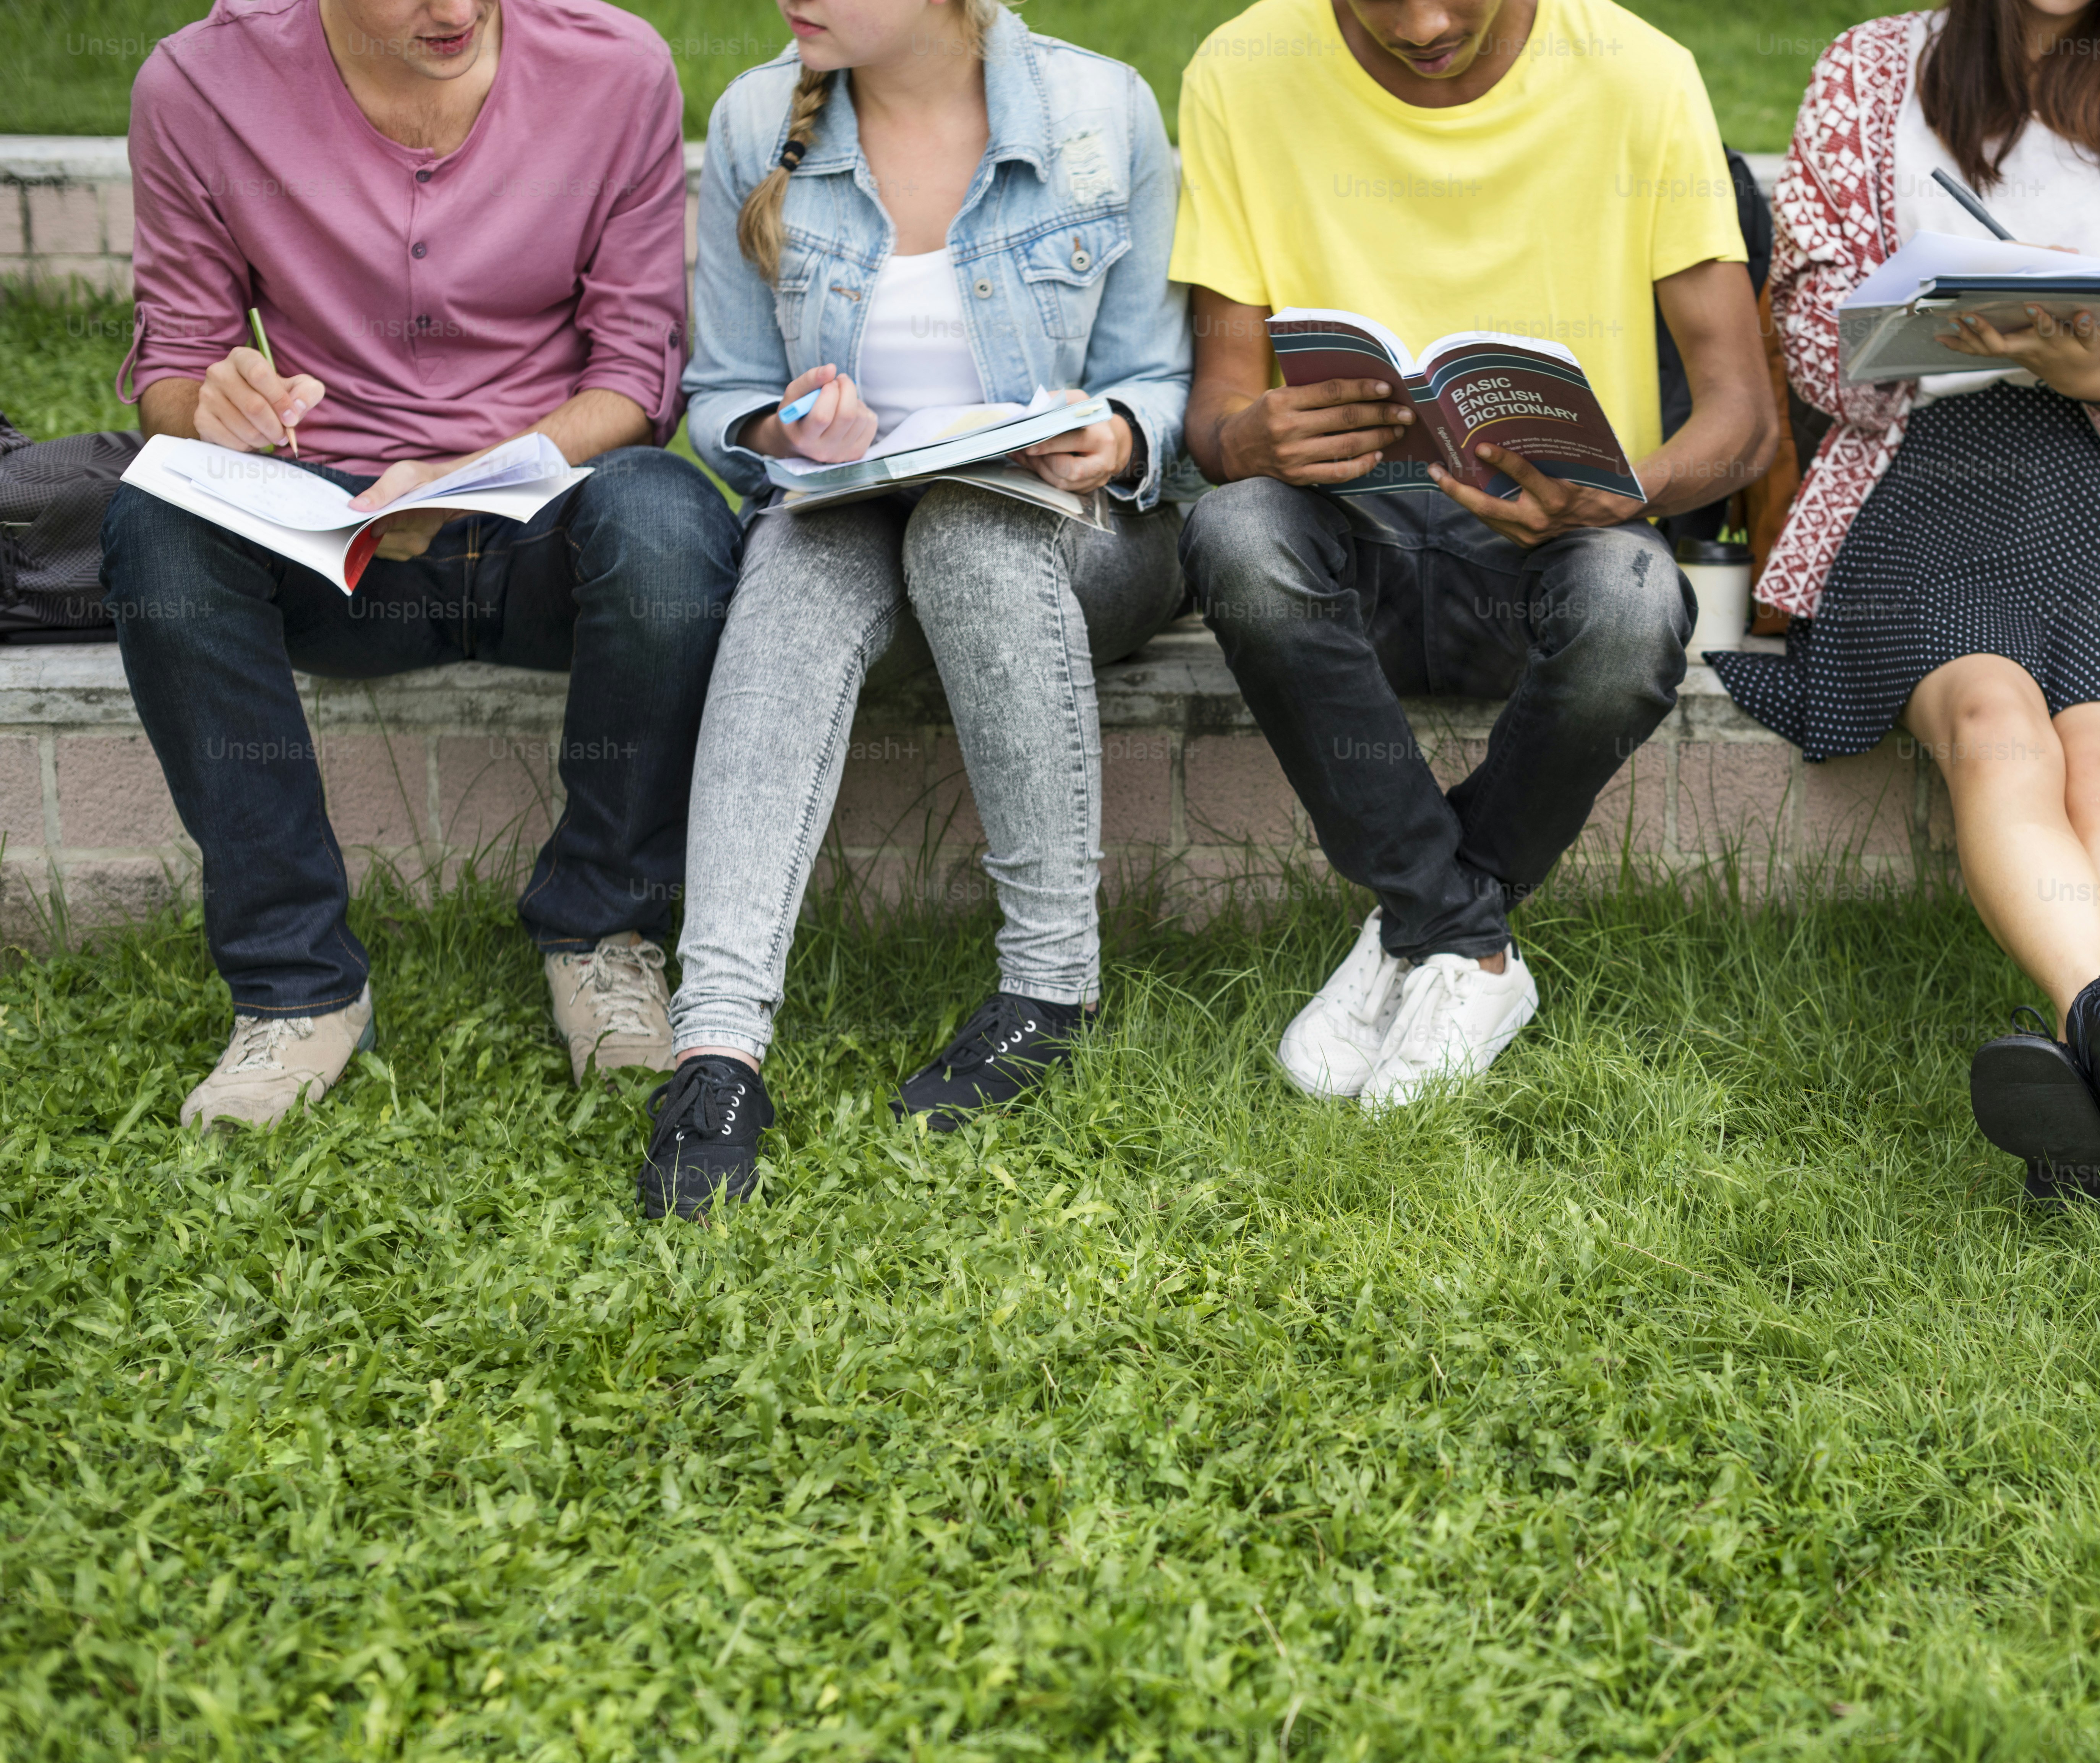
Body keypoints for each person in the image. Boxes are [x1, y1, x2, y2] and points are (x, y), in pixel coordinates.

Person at [103, 0, 741, 1129]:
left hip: (545, 517)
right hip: (334, 540)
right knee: (154, 525)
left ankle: (601, 929)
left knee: (669, 522)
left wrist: (470, 475)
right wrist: (214, 404)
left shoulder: (616, 67)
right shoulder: (198, 86)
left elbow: (638, 378)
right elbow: (173, 372)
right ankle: (296, 989)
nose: (453, 9)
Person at [1713, 0, 2100, 1201]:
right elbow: (1813, 332)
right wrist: (1934, 334)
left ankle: (2092, 1074)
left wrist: (2093, 370)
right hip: (1919, 477)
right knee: (1995, 725)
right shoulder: (1872, 69)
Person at [1172, 0, 1779, 1109]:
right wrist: (1242, 436)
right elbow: (1217, 412)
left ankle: (1421, 928)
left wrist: (1625, 489)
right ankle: (1461, 937)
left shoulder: (1640, 75)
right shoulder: (1241, 70)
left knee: (1636, 603)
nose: (1424, 23)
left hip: (1550, 554)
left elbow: (1744, 418)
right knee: (1235, 532)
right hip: (1349, 562)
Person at [637, 0, 1190, 1218]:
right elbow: (725, 393)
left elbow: (1163, 374)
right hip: (853, 506)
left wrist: (1117, 432)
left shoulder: (1102, 117)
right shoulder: (752, 119)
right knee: (790, 564)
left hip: (1077, 535)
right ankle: (715, 1059)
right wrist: (790, 429)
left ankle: (1052, 986)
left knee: (968, 537)